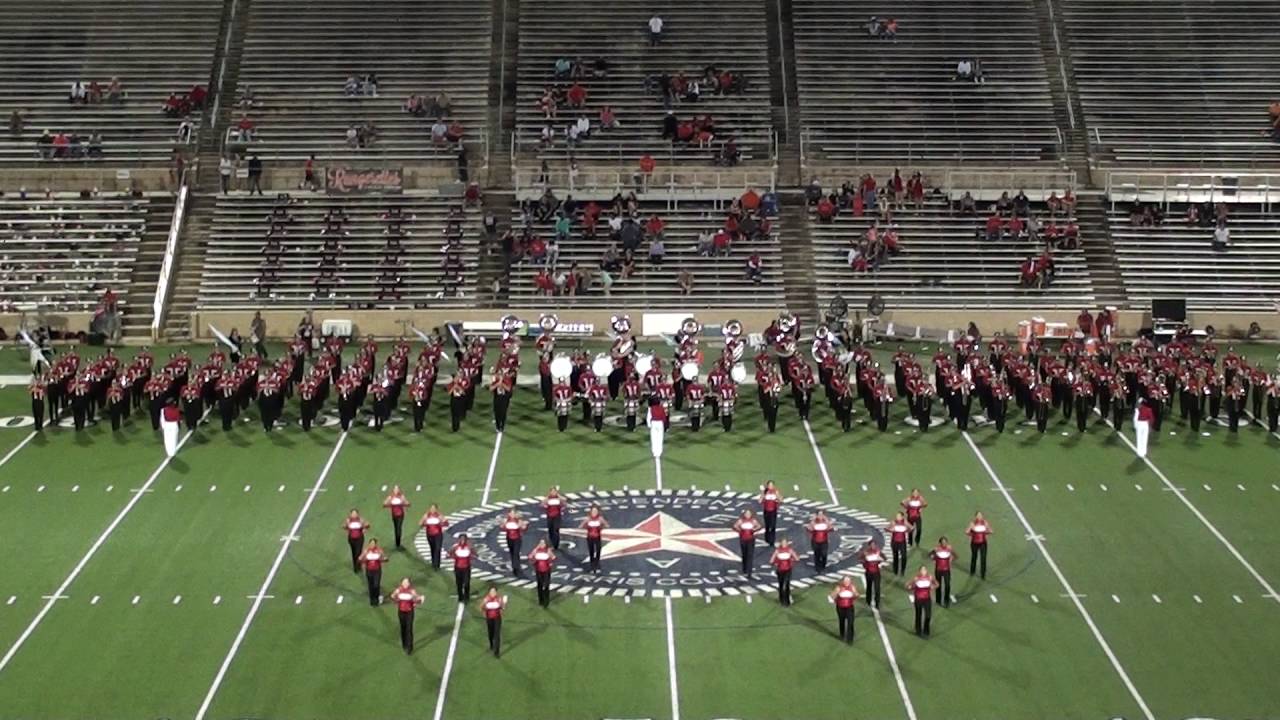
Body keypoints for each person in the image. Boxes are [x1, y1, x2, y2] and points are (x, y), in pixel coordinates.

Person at [390, 578, 423, 654]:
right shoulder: (399, 590)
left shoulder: (412, 591)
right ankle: (404, 644)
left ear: (409, 584)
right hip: (401, 612)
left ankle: (409, 648)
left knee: (409, 628)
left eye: (407, 582)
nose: (405, 584)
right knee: (403, 628)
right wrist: (396, 600)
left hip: (409, 612)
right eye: (404, 582)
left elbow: (417, 598)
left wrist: (420, 599)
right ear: (401, 583)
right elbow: (392, 596)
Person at [830, 576, 860, 644]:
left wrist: (855, 594)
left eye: (848, 581)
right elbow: (832, 596)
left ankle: (850, 639)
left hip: (849, 607)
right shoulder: (839, 588)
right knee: (842, 621)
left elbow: (857, 595)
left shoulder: (852, 587)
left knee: (850, 622)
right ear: (842, 581)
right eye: (845, 581)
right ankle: (842, 635)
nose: (847, 583)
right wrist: (835, 599)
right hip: (840, 608)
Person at [909, 566, 938, 637]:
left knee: (928, 615)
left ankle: (926, 630)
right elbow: (908, 585)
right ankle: (918, 630)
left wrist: (932, 587)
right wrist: (913, 587)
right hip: (918, 599)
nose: (923, 571)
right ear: (919, 571)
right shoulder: (916, 578)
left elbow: (937, 584)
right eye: (922, 570)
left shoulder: (930, 577)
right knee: (918, 615)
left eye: (925, 569)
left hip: (927, 599)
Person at [359, 538, 388, 606]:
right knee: (370, 585)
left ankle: (377, 597)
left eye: (373, 543)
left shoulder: (379, 551)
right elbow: (360, 558)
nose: (372, 545)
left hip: (377, 570)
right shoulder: (366, 551)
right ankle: (372, 600)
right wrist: (364, 560)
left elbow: (385, 558)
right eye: (371, 543)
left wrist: (383, 559)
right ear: (369, 544)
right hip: (369, 570)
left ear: (375, 544)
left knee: (376, 585)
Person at [580, 504, 608, 572]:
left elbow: (606, 525)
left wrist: (601, 528)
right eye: (593, 511)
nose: (594, 512)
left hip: (597, 536)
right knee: (591, 550)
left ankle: (597, 561)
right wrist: (587, 528)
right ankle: (592, 563)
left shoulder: (600, 518)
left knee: (598, 549)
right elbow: (581, 526)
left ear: (598, 512)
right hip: (590, 537)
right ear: (591, 511)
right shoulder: (588, 518)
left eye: (596, 511)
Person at [528, 539, 556, 607]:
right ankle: (541, 601)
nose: (542, 544)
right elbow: (530, 556)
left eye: (543, 543)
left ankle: (546, 601)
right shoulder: (536, 550)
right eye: (540, 543)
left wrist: (550, 561)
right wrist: (535, 550)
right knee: (539, 585)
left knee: (546, 585)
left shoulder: (548, 550)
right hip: (538, 570)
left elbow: (554, 557)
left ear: (546, 544)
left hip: (546, 570)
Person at [480, 587, 507, 657]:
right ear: (489, 592)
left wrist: (503, 603)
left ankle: (496, 652)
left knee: (497, 634)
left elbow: (503, 608)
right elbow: (481, 607)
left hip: (497, 619)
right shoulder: (486, 599)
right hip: (489, 619)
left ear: (496, 592)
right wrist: (484, 611)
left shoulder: (499, 599)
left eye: (494, 591)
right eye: (491, 591)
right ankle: (491, 644)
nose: (493, 593)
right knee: (490, 633)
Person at [501, 510, 528, 577]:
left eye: (514, 513)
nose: (512, 514)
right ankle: (515, 568)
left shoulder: (519, 520)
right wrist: (504, 525)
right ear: (509, 514)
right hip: (509, 539)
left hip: (517, 539)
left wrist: (522, 525)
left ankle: (516, 568)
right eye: (511, 513)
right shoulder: (506, 520)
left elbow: (524, 528)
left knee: (516, 553)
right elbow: (502, 528)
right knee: (512, 553)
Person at [733, 508, 760, 577]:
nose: (747, 515)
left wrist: (754, 530)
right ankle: (745, 568)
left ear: (751, 514)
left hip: (751, 539)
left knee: (750, 555)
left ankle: (749, 571)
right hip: (743, 539)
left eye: (749, 514)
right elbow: (735, 526)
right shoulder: (741, 520)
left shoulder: (753, 521)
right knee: (744, 554)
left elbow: (759, 526)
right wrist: (740, 531)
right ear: (744, 514)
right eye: (746, 513)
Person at [770, 538, 797, 606]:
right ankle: (781, 599)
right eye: (783, 543)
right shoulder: (777, 551)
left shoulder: (790, 550)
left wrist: (791, 559)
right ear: (781, 543)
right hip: (780, 570)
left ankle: (787, 601)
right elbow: (771, 560)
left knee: (787, 584)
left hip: (788, 570)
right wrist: (775, 562)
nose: (784, 544)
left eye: (785, 543)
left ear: (787, 543)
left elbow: (797, 558)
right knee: (781, 585)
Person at [965, 512, 992, 579]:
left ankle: (983, 574)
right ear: (976, 516)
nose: (980, 517)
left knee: (983, 558)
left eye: (981, 515)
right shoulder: (972, 523)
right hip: (974, 543)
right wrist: (973, 534)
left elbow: (991, 531)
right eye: (978, 515)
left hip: (983, 543)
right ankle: (972, 571)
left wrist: (985, 532)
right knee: (974, 557)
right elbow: (967, 531)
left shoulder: (985, 523)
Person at [930, 537, 954, 607]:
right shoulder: (937, 549)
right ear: (940, 543)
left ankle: (946, 600)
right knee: (938, 585)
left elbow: (954, 555)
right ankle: (938, 600)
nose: (944, 544)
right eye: (943, 542)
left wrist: (950, 560)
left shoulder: (949, 548)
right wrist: (934, 559)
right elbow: (931, 555)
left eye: (945, 542)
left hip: (947, 570)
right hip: (938, 570)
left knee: (947, 585)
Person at [344, 509, 370, 574]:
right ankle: (356, 566)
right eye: (352, 513)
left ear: (357, 514)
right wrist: (347, 527)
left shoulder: (360, 520)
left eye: (355, 513)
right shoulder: (348, 520)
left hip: (359, 538)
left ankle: (357, 566)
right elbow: (344, 526)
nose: (354, 515)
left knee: (358, 552)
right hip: (351, 538)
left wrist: (364, 528)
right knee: (354, 552)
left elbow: (367, 525)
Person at [448, 535, 473, 601]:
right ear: (459, 539)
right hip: (458, 568)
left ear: (466, 540)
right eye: (461, 539)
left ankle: (466, 596)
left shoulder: (469, 546)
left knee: (467, 583)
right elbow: (449, 553)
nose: (462, 540)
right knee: (459, 583)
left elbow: (475, 553)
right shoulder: (455, 546)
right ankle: (460, 596)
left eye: (464, 539)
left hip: (466, 568)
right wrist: (453, 557)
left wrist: (471, 557)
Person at [860, 541, 884, 607]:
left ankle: (877, 603)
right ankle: (868, 601)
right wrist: (865, 560)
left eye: (874, 545)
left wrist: (879, 559)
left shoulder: (878, 551)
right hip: (868, 572)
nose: (873, 546)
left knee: (877, 588)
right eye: (872, 545)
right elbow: (860, 559)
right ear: (869, 545)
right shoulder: (865, 552)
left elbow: (884, 558)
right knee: (869, 587)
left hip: (876, 572)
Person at [759, 481, 781, 545]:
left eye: (772, 485)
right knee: (767, 525)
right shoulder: (765, 492)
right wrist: (763, 496)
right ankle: (767, 538)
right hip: (766, 511)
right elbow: (760, 501)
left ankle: (772, 540)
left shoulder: (776, 491)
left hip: (773, 511)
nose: (770, 487)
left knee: (773, 526)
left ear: (774, 486)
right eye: (769, 485)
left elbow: (781, 500)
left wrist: (777, 497)